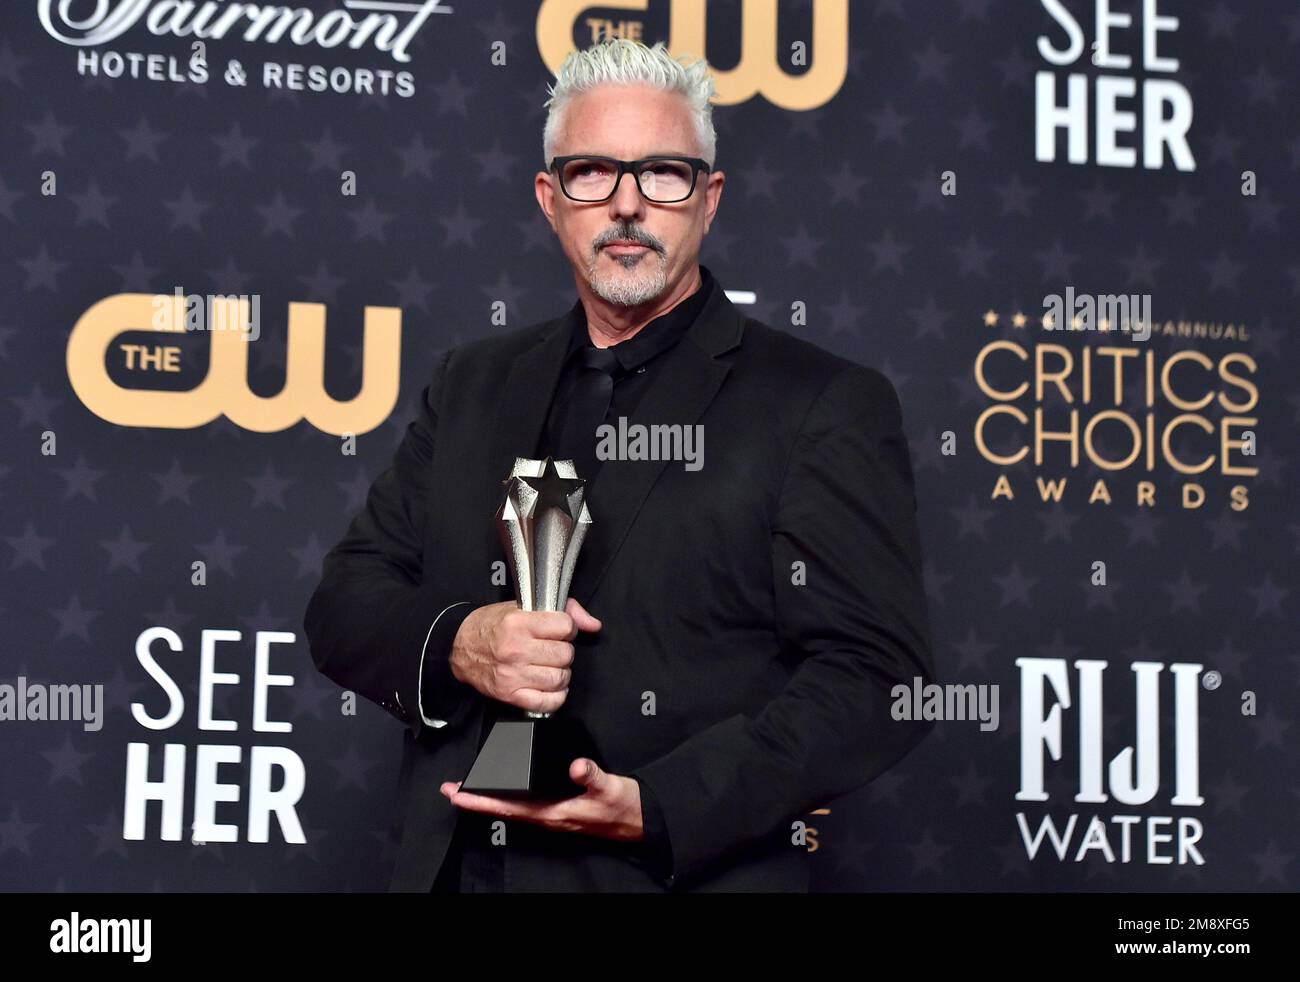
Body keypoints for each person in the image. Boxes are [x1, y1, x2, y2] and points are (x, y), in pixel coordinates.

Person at [303, 38, 935, 893]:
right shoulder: (472, 384)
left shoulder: (819, 404)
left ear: (708, 200)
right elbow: (345, 604)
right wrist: (461, 641)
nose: (628, 204)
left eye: (664, 174)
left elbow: (877, 677)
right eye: (592, 173)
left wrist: (658, 805)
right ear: (550, 199)